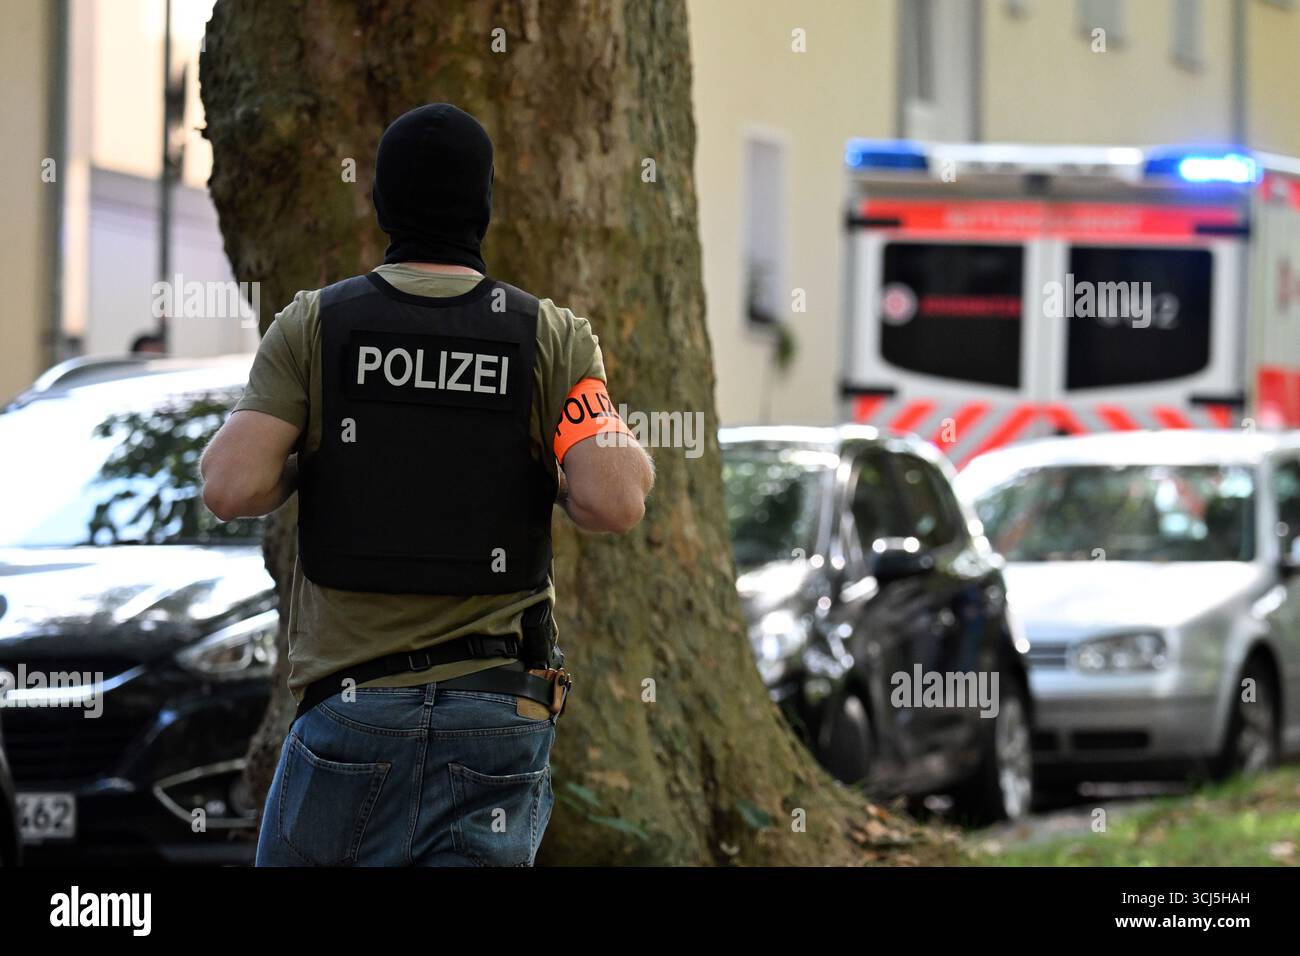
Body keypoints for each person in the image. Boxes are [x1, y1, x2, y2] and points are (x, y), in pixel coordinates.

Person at [200, 103, 653, 866]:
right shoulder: (547, 336)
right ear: (485, 205)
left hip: (353, 713)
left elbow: (229, 487)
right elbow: (614, 500)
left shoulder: (317, 326)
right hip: (496, 718)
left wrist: (314, 455)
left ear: (380, 202)